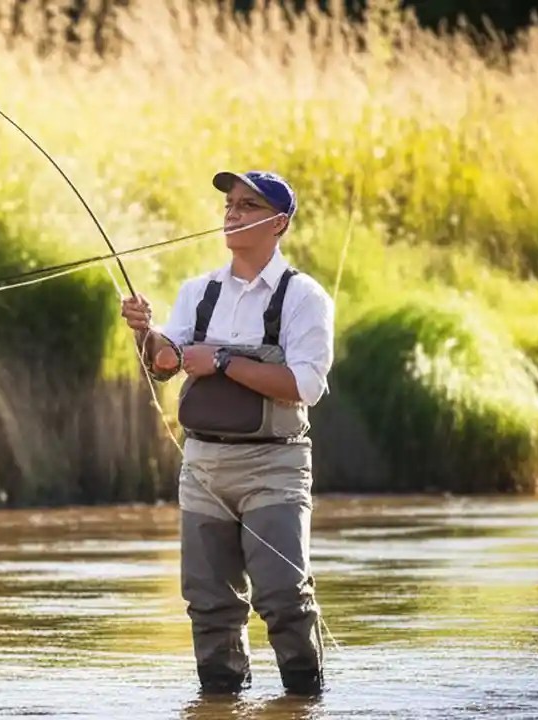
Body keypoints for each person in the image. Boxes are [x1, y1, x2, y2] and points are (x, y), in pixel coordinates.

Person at [120, 170, 333, 697]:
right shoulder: (200, 291)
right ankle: (220, 701)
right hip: (204, 466)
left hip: (275, 466)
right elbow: (167, 363)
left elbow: (304, 385)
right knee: (209, 603)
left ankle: (305, 700)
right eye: (229, 205)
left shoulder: (303, 296)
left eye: (247, 205)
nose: (232, 213)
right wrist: (146, 333)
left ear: (278, 223)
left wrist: (219, 360)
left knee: (283, 595)